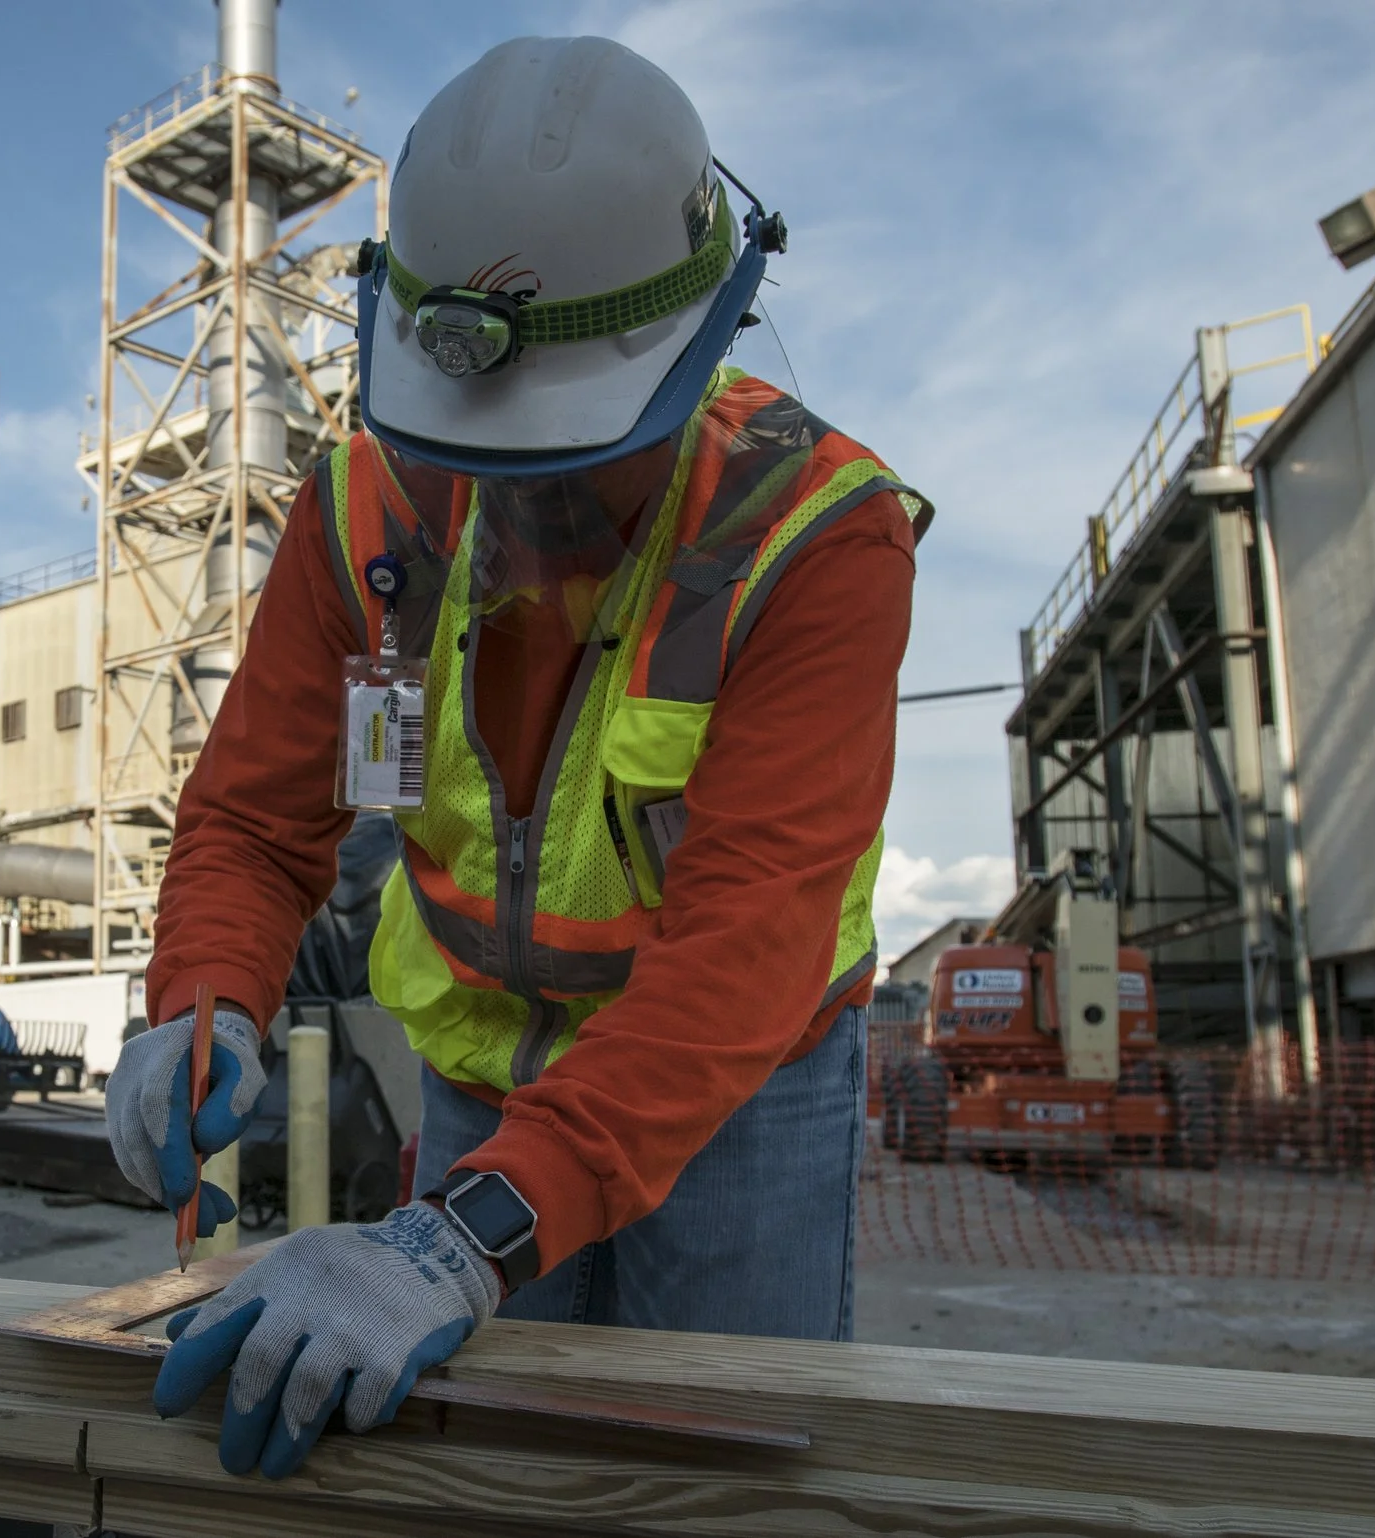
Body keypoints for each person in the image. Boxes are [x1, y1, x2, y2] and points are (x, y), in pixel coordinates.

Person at [105, 34, 928, 1480]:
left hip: (741, 1079)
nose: (515, 504)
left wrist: (460, 1235)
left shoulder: (817, 534)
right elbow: (253, 819)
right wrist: (204, 1000)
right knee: (484, 1468)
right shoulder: (362, 508)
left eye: (565, 456)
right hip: (483, 1054)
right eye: (478, 450)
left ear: (705, 341)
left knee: (714, 1471)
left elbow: (750, 939)